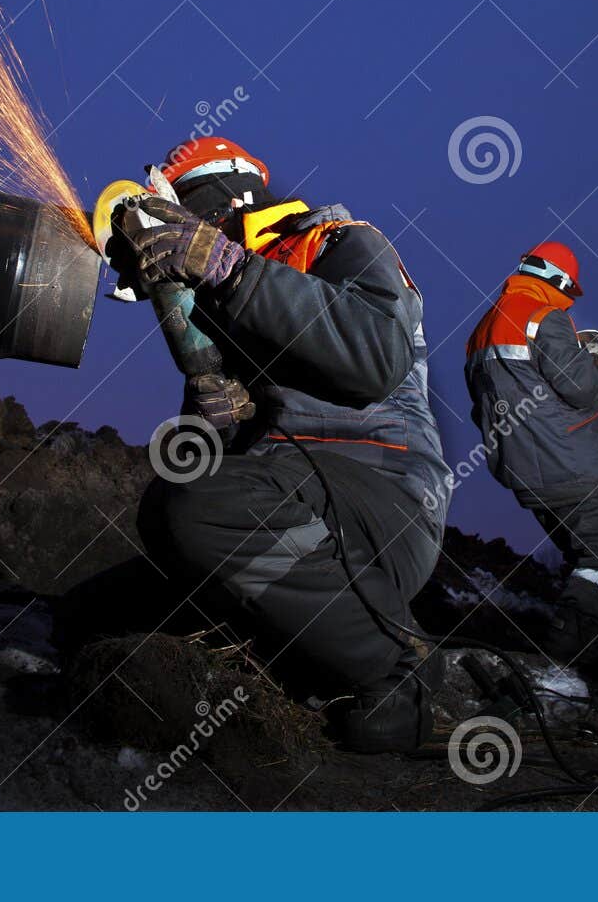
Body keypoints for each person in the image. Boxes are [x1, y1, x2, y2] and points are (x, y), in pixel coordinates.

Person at [109, 136, 449, 753]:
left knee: (196, 508)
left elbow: (372, 359)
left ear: (222, 203)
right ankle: (298, 656)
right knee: (111, 602)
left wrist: (231, 270)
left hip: (378, 499)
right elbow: (217, 468)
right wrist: (216, 419)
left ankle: (397, 669)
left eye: (190, 220)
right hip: (288, 505)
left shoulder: (340, 244)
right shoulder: (225, 304)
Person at [464, 241, 598, 665]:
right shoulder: (543, 318)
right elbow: (581, 388)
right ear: (558, 281)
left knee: (583, 562)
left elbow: (481, 410)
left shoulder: (481, 331)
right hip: (573, 472)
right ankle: (558, 666)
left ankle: (585, 655)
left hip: (528, 479)